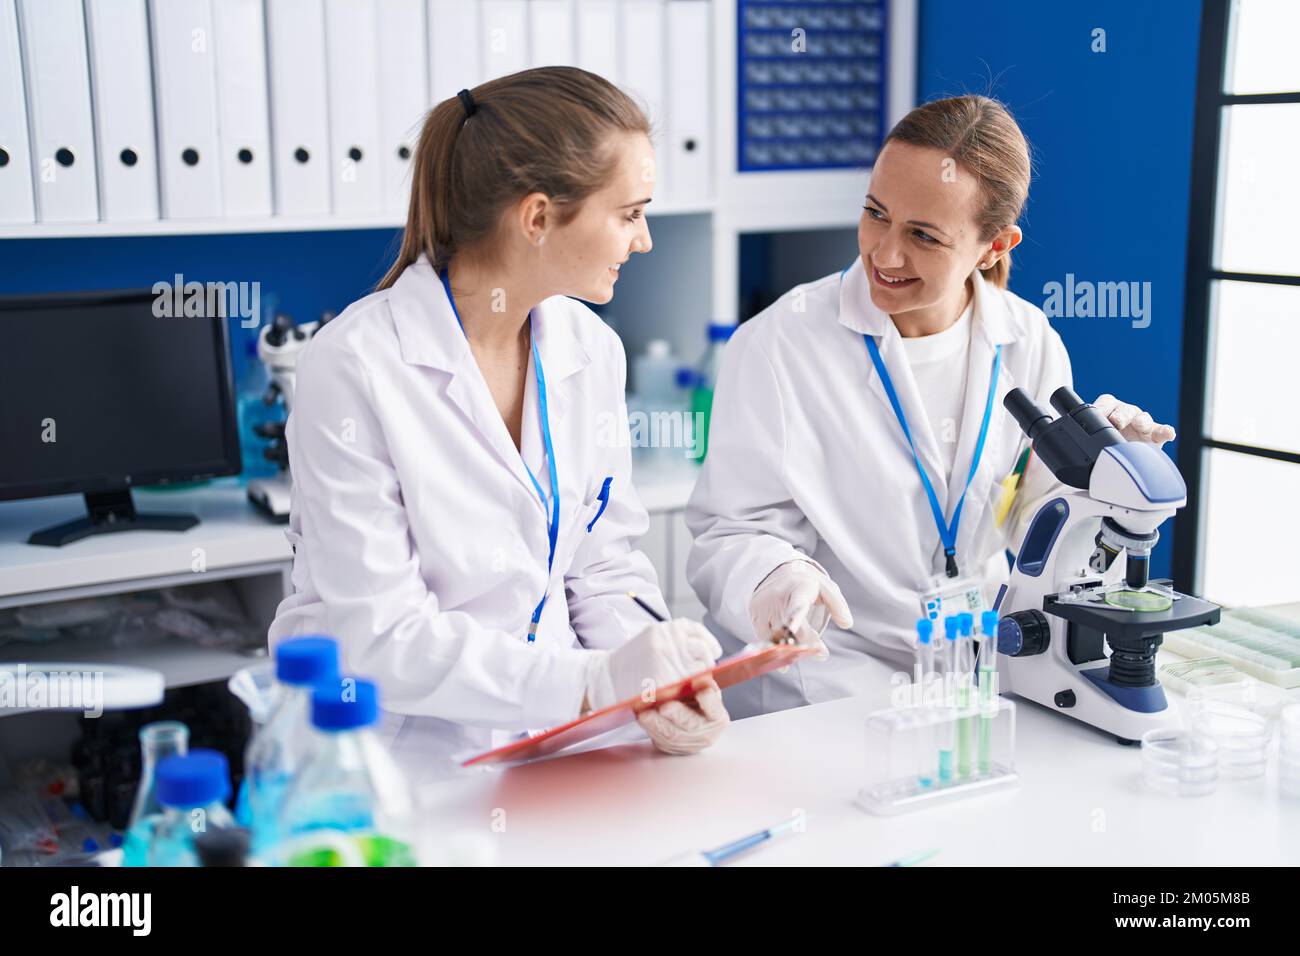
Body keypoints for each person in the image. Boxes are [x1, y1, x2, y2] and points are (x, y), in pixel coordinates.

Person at [268, 67, 728, 781]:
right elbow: (383, 635)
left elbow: (601, 566)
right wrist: (592, 684)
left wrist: (657, 677)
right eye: (630, 213)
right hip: (398, 760)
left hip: (554, 743)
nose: (645, 241)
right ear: (538, 217)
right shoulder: (355, 365)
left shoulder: (591, 350)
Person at [686, 95, 1175, 717]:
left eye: (923, 235)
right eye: (875, 214)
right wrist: (774, 580)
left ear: (995, 245)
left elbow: (1037, 531)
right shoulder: (781, 343)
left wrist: (1101, 482)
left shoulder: (1029, 341)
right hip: (828, 685)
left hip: (978, 677)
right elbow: (730, 531)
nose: (885, 255)